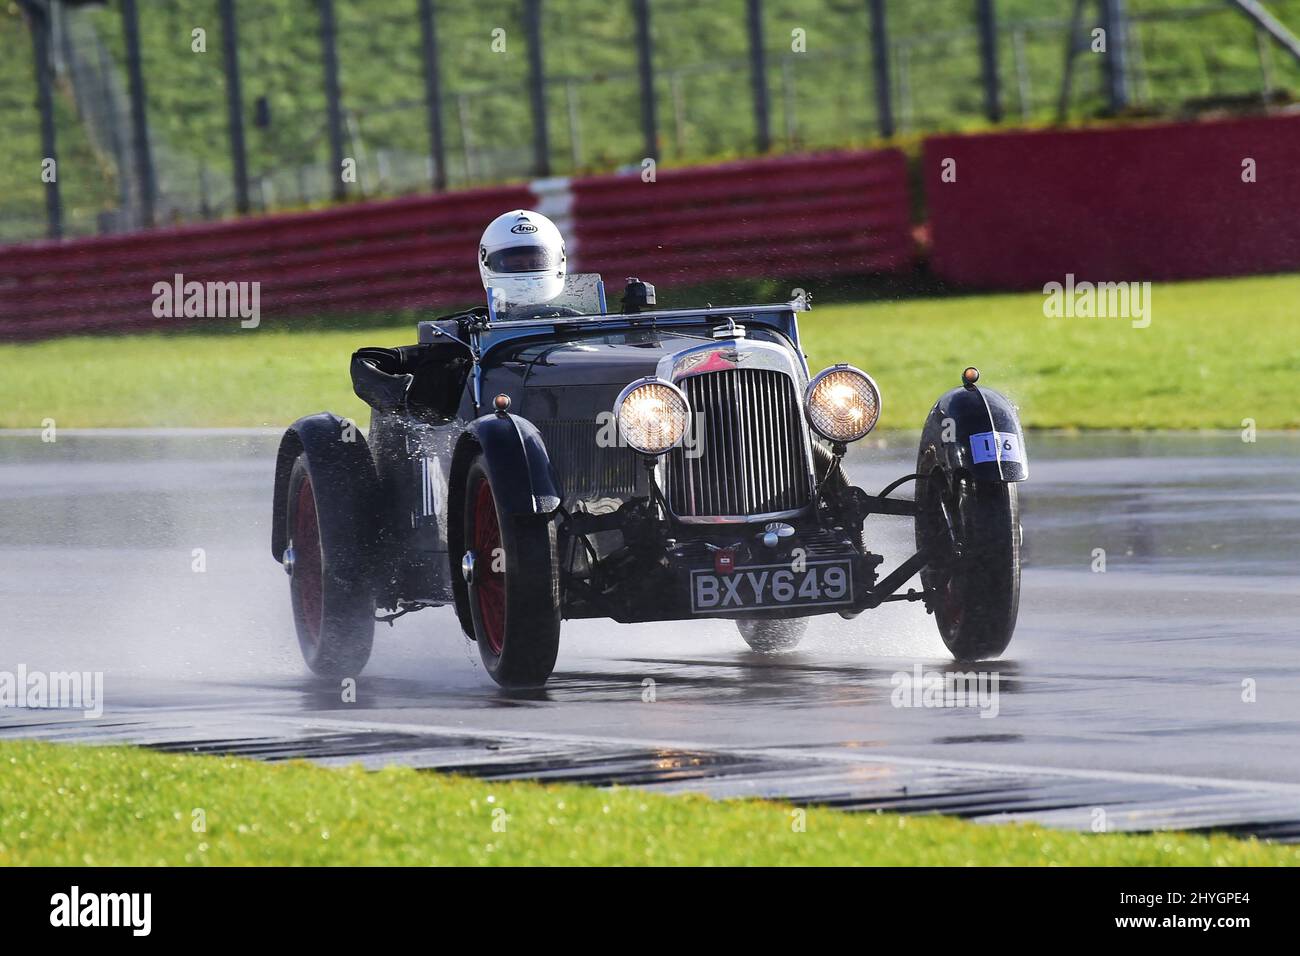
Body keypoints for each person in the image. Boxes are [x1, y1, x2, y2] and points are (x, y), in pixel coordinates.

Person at [477, 209, 567, 310]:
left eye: (537, 263)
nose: (527, 274)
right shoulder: (474, 323)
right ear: (486, 262)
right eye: (516, 264)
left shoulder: (578, 321)